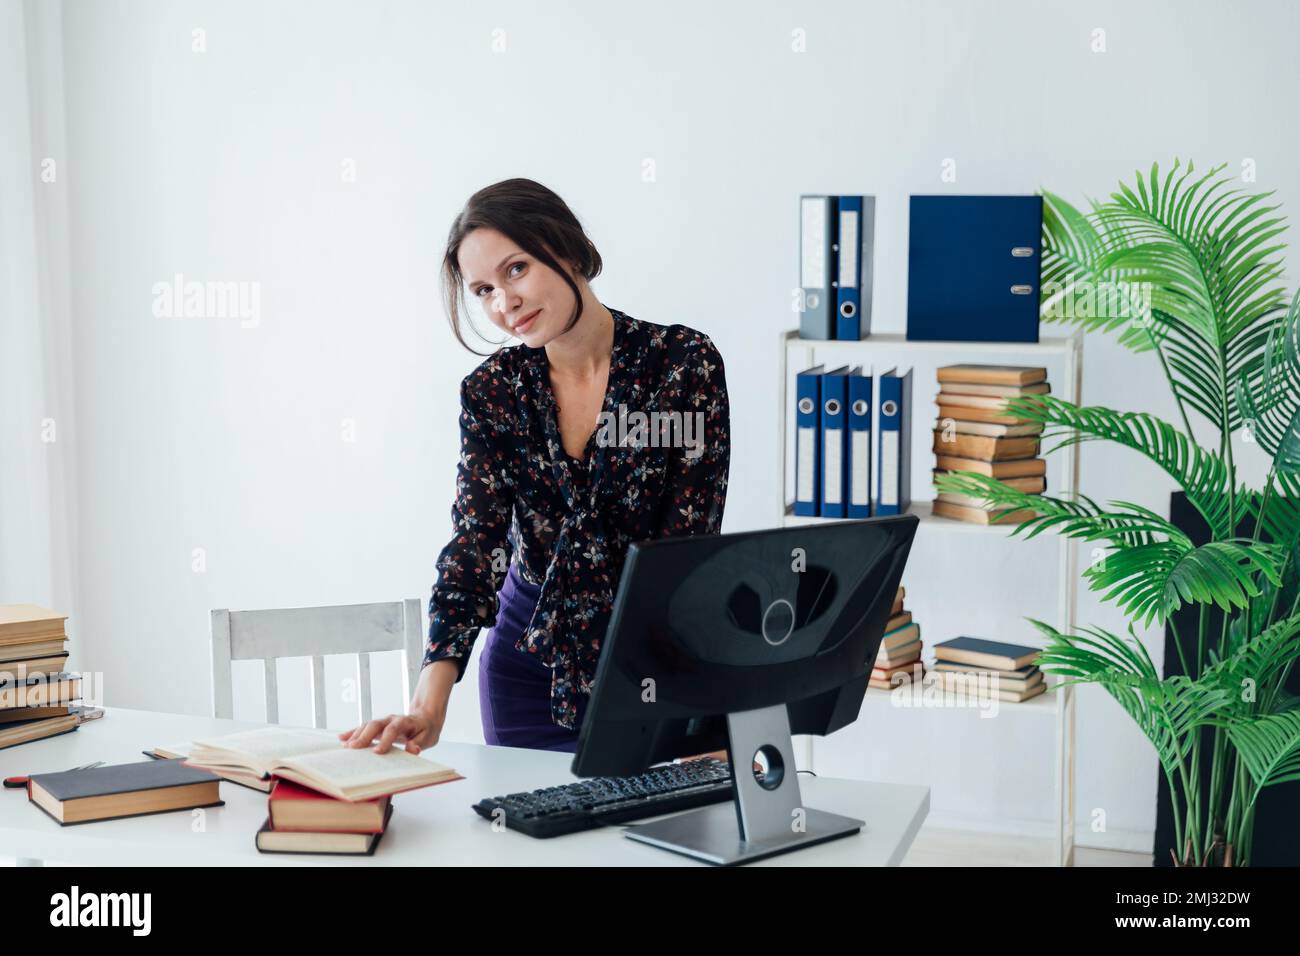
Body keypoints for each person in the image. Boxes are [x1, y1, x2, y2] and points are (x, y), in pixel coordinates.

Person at [340, 178, 730, 758]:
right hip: (529, 673)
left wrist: (693, 707)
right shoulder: (493, 394)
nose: (504, 303)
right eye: (482, 290)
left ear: (566, 248)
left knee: (668, 845)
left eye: (516, 269)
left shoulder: (682, 365)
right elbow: (476, 547)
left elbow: (688, 547)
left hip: (657, 662)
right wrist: (429, 703)